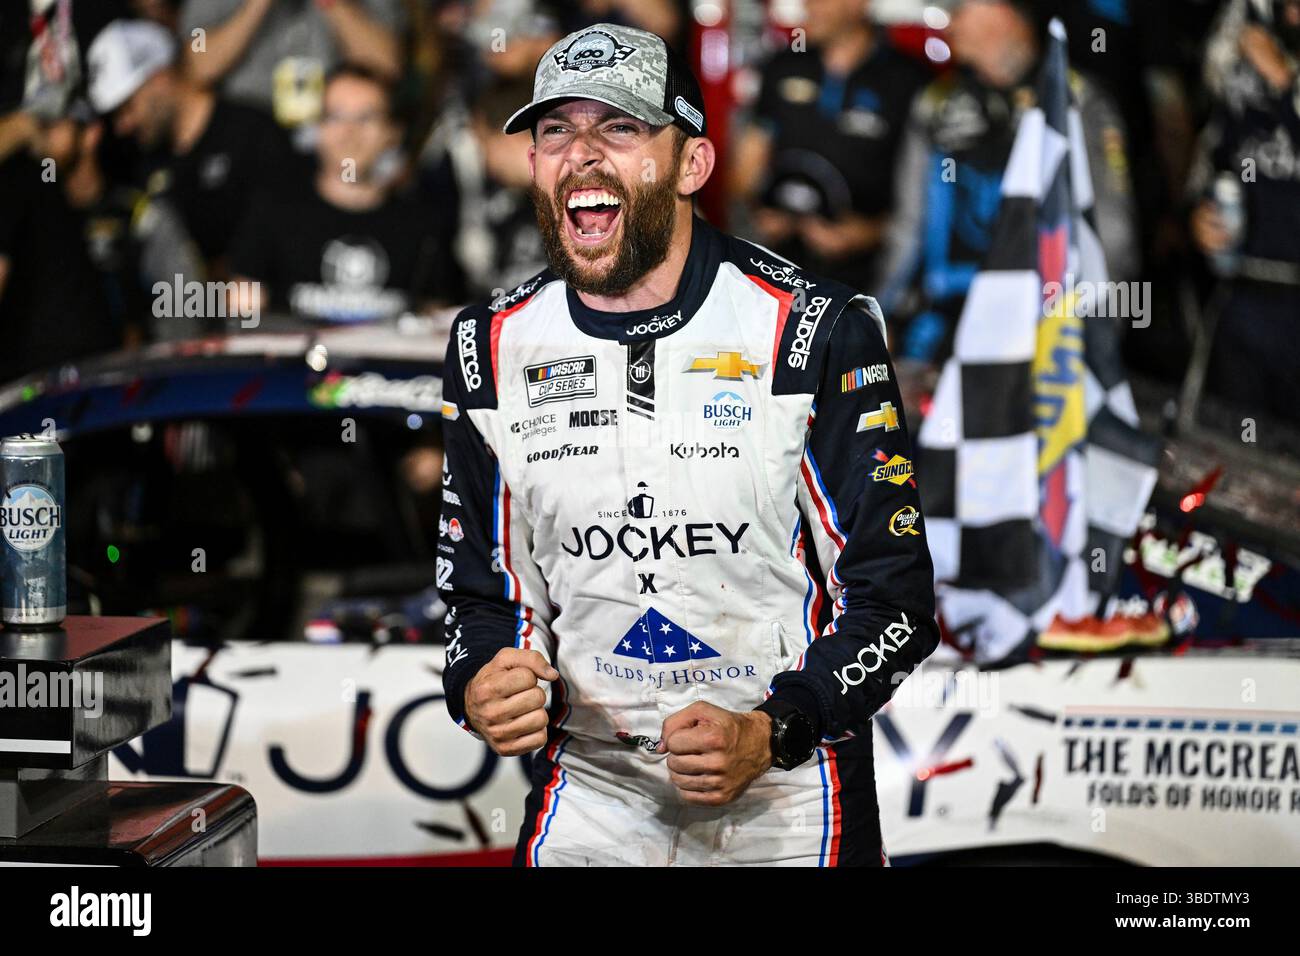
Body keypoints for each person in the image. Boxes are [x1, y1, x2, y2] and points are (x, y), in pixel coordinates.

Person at [437, 22, 939, 867]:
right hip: (592, 793)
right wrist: (479, 679)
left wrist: (777, 729)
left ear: (693, 165)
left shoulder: (814, 329)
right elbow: (481, 595)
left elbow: (896, 603)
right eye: (556, 130)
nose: (581, 154)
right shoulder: (488, 343)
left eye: (621, 128)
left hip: (790, 789)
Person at [877, 0, 1138, 364]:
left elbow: (1112, 233)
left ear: (1006, 13)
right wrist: (880, 319)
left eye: (963, 8)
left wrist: (1097, 338)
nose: (951, 21)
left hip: (1041, 328)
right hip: (941, 326)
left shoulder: (1078, 100)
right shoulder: (935, 103)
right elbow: (908, 227)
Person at [230, 65, 456, 322]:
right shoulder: (272, 212)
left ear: (393, 133)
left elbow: (439, 328)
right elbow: (242, 318)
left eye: (366, 118)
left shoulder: (424, 225)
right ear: (316, 127)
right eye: (335, 116)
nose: (349, 133)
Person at [731, 0, 931, 289]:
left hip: (869, 277)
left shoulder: (908, 81)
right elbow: (744, 172)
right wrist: (757, 217)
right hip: (775, 266)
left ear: (857, 5)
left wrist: (867, 233)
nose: (808, 8)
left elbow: (927, 201)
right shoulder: (781, 66)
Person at [87, 18, 298, 277]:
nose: (123, 126)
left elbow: (287, 238)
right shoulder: (143, 160)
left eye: (127, 107)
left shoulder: (253, 134)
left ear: (159, 78)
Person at [1188, 0, 1300, 422]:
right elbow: (1212, 161)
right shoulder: (1241, 72)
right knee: (1230, 454)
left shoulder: (1271, 67)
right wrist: (1198, 218)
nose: (1293, 16)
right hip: (1245, 299)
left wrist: (1284, 82)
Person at [178, 0, 405, 129]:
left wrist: (331, 4)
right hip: (244, 133)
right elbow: (199, 67)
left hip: (331, 137)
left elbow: (385, 64)